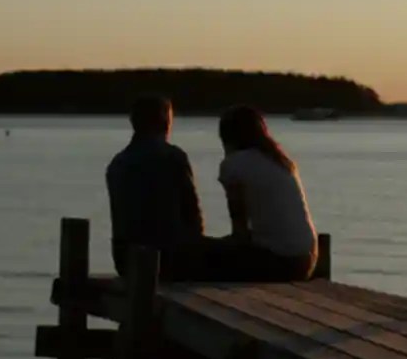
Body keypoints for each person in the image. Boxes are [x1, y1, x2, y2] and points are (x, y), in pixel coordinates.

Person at [207, 105, 318, 281]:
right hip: (306, 260)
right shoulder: (282, 161)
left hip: (277, 262)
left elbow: (240, 230)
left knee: (197, 253)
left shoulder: (233, 164)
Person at [105, 94, 204, 278]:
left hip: (126, 262)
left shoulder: (117, 163)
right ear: (164, 120)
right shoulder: (173, 157)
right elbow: (192, 214)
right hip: (169, 260)